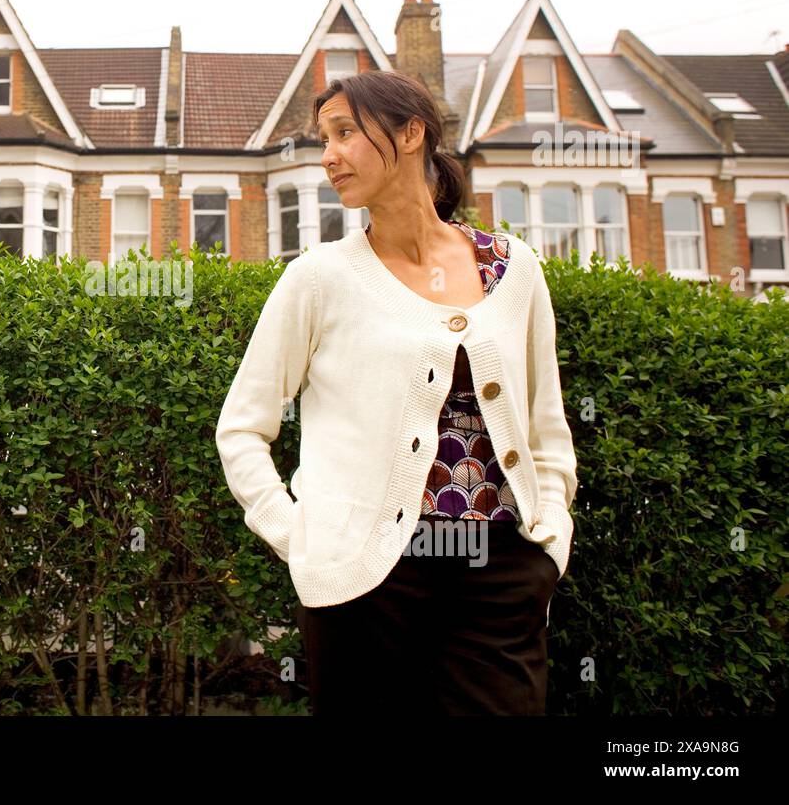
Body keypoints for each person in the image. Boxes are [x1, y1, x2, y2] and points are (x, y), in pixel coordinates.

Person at [215, 69, 578, 715]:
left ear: (412, 134)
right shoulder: (319, 279)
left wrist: (548, 540)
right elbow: (242, 427)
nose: (328, 155)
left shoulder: (514, 270)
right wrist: (300, 535)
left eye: (346, 133)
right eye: (323, 138)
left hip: (499, 572)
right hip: (365, 582)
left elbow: (548, 425)